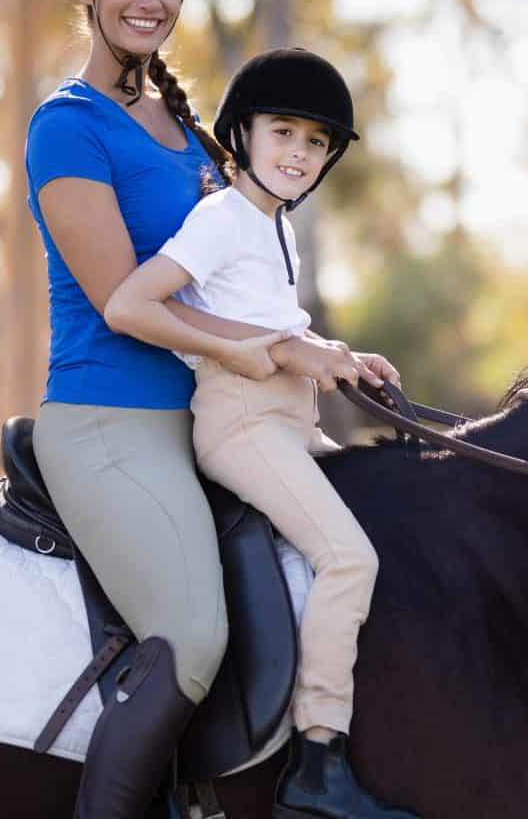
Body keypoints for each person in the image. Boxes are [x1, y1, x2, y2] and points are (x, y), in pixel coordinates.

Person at [25, 0, 286, 819]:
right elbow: (122, 304)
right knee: (192, 634)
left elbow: (236, 285)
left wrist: (317, 352)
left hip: (211, 417)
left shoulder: (196, 138)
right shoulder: (67, 125)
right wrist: (258, 348)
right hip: (110, 425)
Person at [105, 47, 419, 819]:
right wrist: (265, 351)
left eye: (316, 143)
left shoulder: (275, 229)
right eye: (284, 133)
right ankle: (317, 761)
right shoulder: (220, 219)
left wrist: (340, 356)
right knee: (348, 556)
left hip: (291, 419)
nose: (300, 155)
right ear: (242, 135)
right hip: (241, 423)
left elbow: (281, 321)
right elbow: (133, 305)